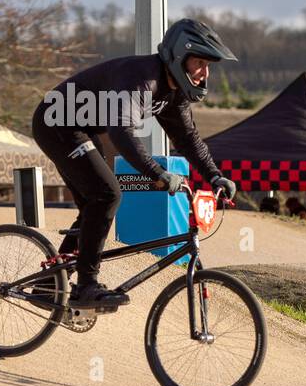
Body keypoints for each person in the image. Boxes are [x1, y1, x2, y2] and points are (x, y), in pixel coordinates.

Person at [31, 19, 239, 309]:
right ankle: (86, 286)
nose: (204, 74)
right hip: (56, 123)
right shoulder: (141, 79)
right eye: (200, 63)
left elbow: (189, 140)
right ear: (179, 56)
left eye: (208, 66)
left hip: (84, 128)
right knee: (107, 194)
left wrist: (216, 177)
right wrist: (157, 173)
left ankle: (47, 285)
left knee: (95, 205)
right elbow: (121, 131)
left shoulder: (173, 93)